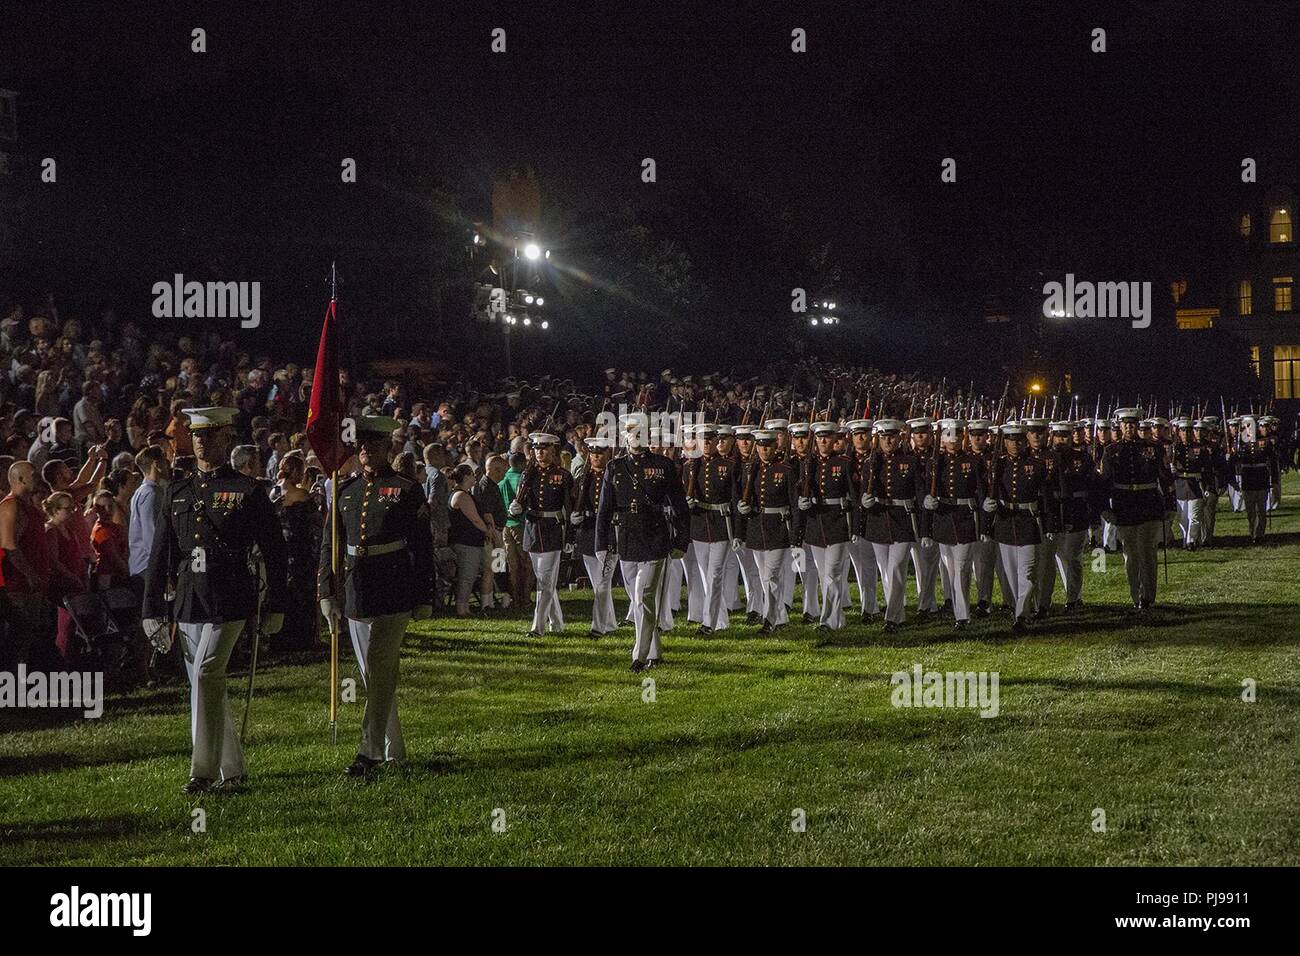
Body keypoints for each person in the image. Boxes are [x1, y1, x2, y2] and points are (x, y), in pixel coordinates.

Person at [142, 407, 289, 794]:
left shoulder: (248, 490)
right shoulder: (178, 491)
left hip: (231, 594)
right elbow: (161, 555)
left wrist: (277, 603)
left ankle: (202, 771)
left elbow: (276, 552)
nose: (202, 441)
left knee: (207, 674)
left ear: (226, 438)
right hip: (190, 596)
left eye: (211, 434)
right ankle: (233, 769)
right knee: (205, 686)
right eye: (197, 434)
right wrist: (152, 609)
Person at [318, 415, 433, 779]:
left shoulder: (406, 488)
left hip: (394, 585)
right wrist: (326, 591)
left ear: (388, 447)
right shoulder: (345, 488)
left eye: (374, 444)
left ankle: (369, 751)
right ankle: (393, 747)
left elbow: (422, 545)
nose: (365, 450)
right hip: (356, 588)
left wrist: (425, 593)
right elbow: (330, 544)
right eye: (361, 444)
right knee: (376, 674)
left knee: (380, 664)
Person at [595, 415, 689, 671]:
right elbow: (604, 509)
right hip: (626, 538)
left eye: (640, 431)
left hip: (654, 537)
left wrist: (682, 540)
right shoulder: (614, 467)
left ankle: (639, 656)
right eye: (630, 430)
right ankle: (656, 651)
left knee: (643, 597)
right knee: (637, 601)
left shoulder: (663, 465)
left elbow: (680, 506)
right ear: (624, 435)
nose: (635, 435)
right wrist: (601, 544)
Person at [1099, 408, 1170, 614]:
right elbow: (1105, 482)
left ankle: (1149, 595)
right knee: (1130, 554)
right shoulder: (1111, 451)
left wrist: (1170, 504)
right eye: (1125, 425)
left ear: (1137, 426)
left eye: (1132, 424)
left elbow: (1164, 477)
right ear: (1120, 427)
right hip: (1125, 506)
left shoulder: (1152, 449)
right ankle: (1136, 594)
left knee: (1148, 553)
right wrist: (1105, 508)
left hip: (1149, 505)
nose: (1129, 428)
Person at [983, 423, 1052, 632]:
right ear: (1005, 442)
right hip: (1005, 523)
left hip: (1028, 522)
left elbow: (1046, 498)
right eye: (1011, 440)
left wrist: (1049, 524)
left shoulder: (1037, 465)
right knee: (1010, 575)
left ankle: (1021, 615)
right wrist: (987, 519)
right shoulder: (999, 465)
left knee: (1027, 573)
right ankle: (1019, 608)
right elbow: (992, 494)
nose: (1015, 444)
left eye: (1019, 440)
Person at [860, 419, 922, 632]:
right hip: (878, 520)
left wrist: (923, 527)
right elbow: (862, 490)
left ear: (899, 438)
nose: (888, 441)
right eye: (884, 437)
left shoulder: (910, 461)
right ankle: (898, 612)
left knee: (896, 568)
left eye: (892, 437)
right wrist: (864, 501)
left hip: (902, 520)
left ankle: (892, 618)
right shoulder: (870, 463)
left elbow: (919, 492)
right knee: (885, 570)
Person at [921, 419, 983, 630]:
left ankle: (963, 615)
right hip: (943, 520)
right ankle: (959, 611)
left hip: (965, 518)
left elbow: (981, 492)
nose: (953, 440)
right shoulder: (935, 463)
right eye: (949, 436)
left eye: (957, 435)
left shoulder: (973, 461)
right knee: (951, 571)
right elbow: (929, 492)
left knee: (962, 568)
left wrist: (983, 525)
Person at [736, 428, 799, 634]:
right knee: (764, 576)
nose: (764, 449)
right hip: (757, 527)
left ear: (775, 446)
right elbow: (748, 496)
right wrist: (744, 508)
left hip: (778, 528)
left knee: (771, 576)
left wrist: (795, 535)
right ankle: (780, 615)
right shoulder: (750, 469)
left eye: (768, 446)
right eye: (761, 446)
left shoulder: (785, 470)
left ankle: (769, 620)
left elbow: (794, 504)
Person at [508, 432, 571, 637]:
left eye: (543, 449)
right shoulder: (529, 474)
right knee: (546, 581)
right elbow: (522, 500)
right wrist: (515, 507)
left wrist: (570, 536)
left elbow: (568, 508)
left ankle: (538, 627)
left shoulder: (562, 475)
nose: (539, 452)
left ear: (553, 451)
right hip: (533, 529)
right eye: (536, 449)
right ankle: (557, 623)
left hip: (552, 529)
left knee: (544, 583)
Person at [801, 420, 856, 638]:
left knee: (833, 574)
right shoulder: (809, 464)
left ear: (834, 439)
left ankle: (828, 620)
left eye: (827, 437)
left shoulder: (843, 463)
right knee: (825, 575)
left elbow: (853, 495)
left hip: (837, 523)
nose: (823, 441)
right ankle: (837, 617)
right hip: (816, 525)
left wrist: (855, 525)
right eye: (820, 437)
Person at [684, 423, 740, 636]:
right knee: (705, 574)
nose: (706, 443)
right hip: (699, 524)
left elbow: (734, 499)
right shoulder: (691, 466)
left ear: (717, 441)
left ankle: (708, 623)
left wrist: (737, 531)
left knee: (715, 574)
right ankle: (720, 618)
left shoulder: (728, 465)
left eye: (710, 439)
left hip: (720, 525)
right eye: (702, 439)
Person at [0, 460, 52, 671]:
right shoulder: (11, 506)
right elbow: (9, 545)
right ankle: (10, 681)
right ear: (20, 479)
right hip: (16, 583)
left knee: (26, 634)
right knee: (17, 633)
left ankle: (18, 681)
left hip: (30, 582)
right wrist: (30, 574)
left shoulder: (27, 506)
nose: (38, 477)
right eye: (34, 474)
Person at [274, 452, 322, 652]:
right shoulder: (301, 495)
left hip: (282, 548)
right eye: (300, 471)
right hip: (300, 548)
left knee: (285, 593)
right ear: (294, 471)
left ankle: (282, 636)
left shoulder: (274, 491)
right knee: (301, 594)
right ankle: (301, 637)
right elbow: (315, 520)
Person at [571, 435, 617, 636]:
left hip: (608, 533)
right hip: (589, 532)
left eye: (600, 453)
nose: (596, 457)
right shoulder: (583, 478)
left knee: (603, 583)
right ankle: (611, 623)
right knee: (598, 582)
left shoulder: (615, 477)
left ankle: (598, 627)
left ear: (608, 454)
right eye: (593, 453)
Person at [448, 463, 489, 618]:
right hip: (465, 543)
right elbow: (475, 519)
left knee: (469, 576)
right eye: (472, 474)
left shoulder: (464, 494)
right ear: (465, 477)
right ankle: (461, 609)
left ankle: (464, 607)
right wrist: (487, 531)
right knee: (466, 576)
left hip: (470, 542)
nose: (474, 477)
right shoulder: (461, 496)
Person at [498, 450, 533, 611]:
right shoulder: (521, 479)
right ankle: (525, 599)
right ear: (522, 463)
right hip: (520, 524)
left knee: (512, 565)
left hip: (506, 525)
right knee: (526, 563)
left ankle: (514, 598)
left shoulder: (502, 480)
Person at [474, 455, 508, 611]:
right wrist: (495, 536)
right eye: (503, 469)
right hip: (494, 533)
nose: (505, 472)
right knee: (492, 568)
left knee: (497, 568)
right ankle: (487, 603)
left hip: (496, 531)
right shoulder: (487, 486)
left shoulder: (488, 484)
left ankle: (497, 599)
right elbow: (488, 513)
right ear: (496, 470)